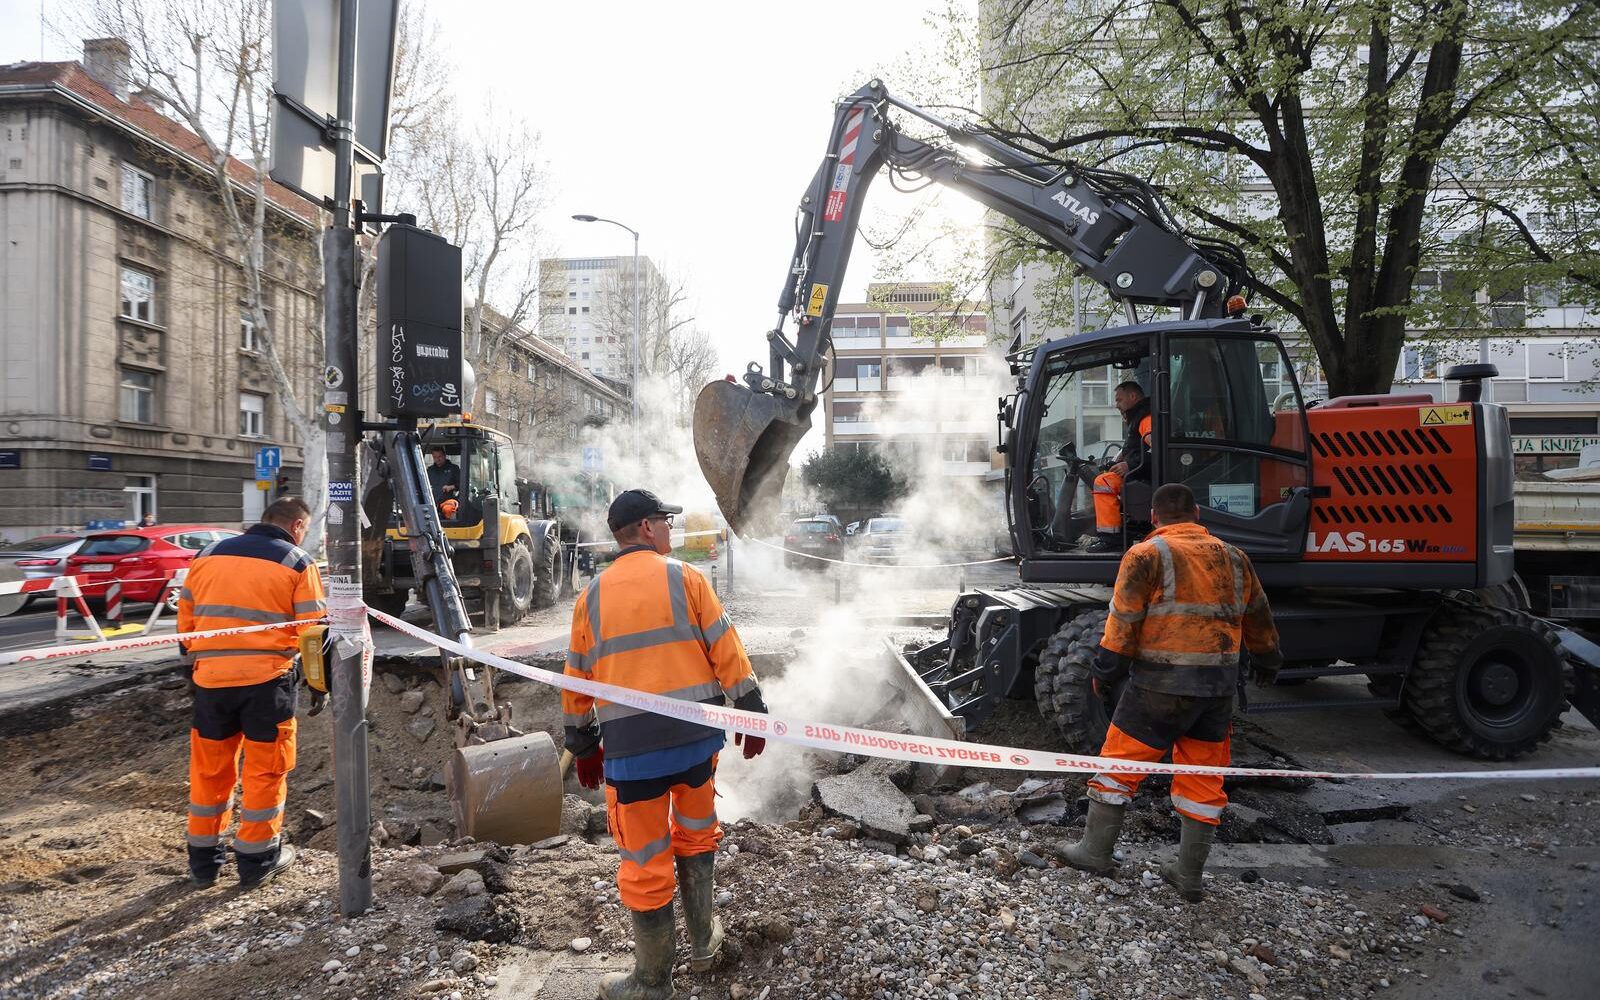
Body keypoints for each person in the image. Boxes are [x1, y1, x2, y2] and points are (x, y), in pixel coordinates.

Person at [563, 488, 767, 1000]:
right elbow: (726, 647)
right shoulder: (686, 578)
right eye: (666, 522)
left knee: (646, 857)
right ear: (647, 528)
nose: (672, 531)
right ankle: (703, 945)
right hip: (697, 744)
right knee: (697, 836)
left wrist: (581, 741)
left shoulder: (592, 597)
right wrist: (751, 708)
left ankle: (652, 980)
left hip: (632, 756)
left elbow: (577, 677)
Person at [1056, 483, 1282, 902]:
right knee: (1202, 777)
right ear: (1197, 513)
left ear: (1154, 518)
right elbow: (1259, 615)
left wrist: (1105, 671)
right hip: (1216, 690)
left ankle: (1094, 852)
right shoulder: (1235, 557)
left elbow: (1123, 621)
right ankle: (1189, 874)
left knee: (1119, 766)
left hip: (1159, 687)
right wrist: (1269, 661)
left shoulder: (1146, 554)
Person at [176, 496, 326, 890]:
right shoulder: (296, 562)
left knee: (209, 772)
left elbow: (186, 624)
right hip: (265, 684)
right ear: (296, 526)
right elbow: (312, 633)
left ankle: (203, 863)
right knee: (265, 770)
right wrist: (318, 683)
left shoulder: (206, 556)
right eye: (306, 531)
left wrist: (197, 667)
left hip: (210, 683)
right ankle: (257, 860)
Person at [1088, 381, 1153, 553]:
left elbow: (1159, 449)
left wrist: (1129, 465)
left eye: (1119, 400)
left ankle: (1111, 539)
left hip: (1143, 475)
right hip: (1139, 471)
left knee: (1104, 482)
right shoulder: (1137, 417)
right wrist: (1116, 461)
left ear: (1133, 396)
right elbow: (1131, 447)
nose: (1116, 404)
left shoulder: (1145, 418)